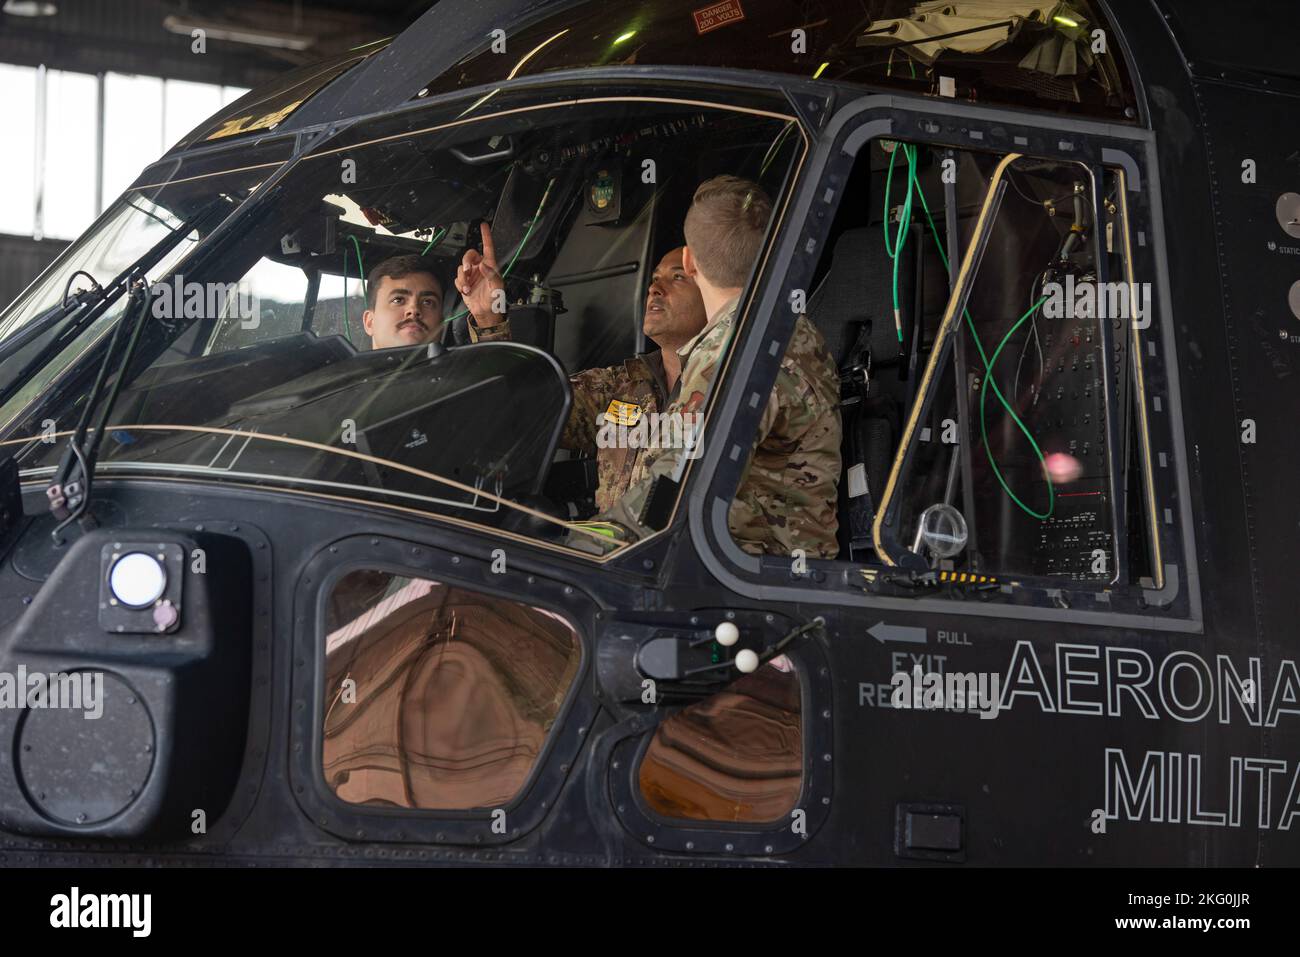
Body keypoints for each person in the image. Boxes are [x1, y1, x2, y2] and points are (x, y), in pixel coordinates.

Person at [602, 175, 842, 559]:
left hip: (747, 582)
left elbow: (670, 488)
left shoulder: (732, 350)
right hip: (775, 578)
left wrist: (583, 547)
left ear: (689, 261)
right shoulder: (787, 330)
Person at [458, 227, 709, 511]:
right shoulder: (620, 386)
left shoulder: (736, 382)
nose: (655, 289)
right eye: (654, 279)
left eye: (677, 277)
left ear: (714, 295)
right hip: (608, 552)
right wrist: (489, 319)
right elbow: (520, 410)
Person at [361, 252, 509, 350]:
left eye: (428, 302)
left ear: (441, 323)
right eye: (398, 300)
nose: (414, 309)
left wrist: (489, 317)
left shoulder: (462, 383)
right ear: (369, 322)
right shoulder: (341, 388)